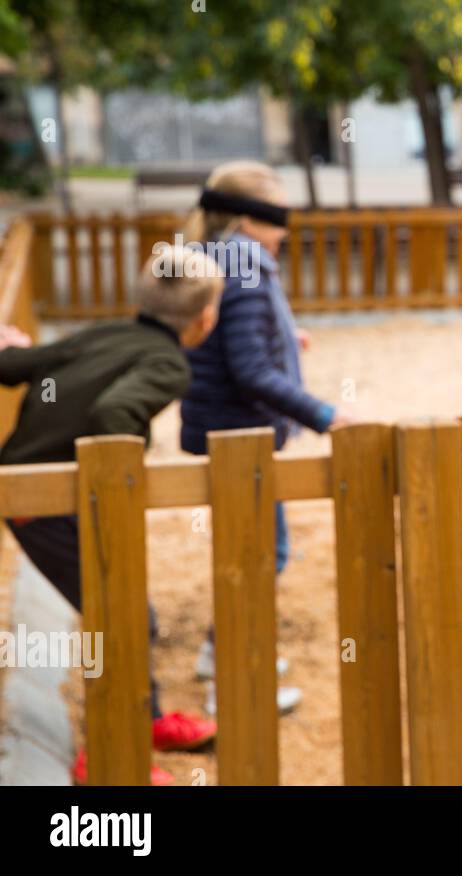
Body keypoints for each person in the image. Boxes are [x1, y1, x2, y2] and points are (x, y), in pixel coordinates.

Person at [0, 244, 224, 785]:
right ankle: (107, 748)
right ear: (204, 320)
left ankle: (142, 721)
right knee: (120, 616)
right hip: (45, 504)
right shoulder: (169, 363)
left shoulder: (104, 333)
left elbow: (15, 368)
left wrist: (12, 348)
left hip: (34, 489)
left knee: (124, 609)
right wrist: (123, 483)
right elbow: (113, 411)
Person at [177, 160, 353, 716]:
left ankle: (216, 652)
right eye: (279, 217)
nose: (285, 229)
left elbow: (232, 341)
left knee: (245, 548)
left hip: (223, 427)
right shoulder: (245, 265)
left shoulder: (223, 257)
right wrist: (325, 414)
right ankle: (234, 678)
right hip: (238, 435)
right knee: (258, 553)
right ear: (253, 218)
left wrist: (283, 336)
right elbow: (250, 370)